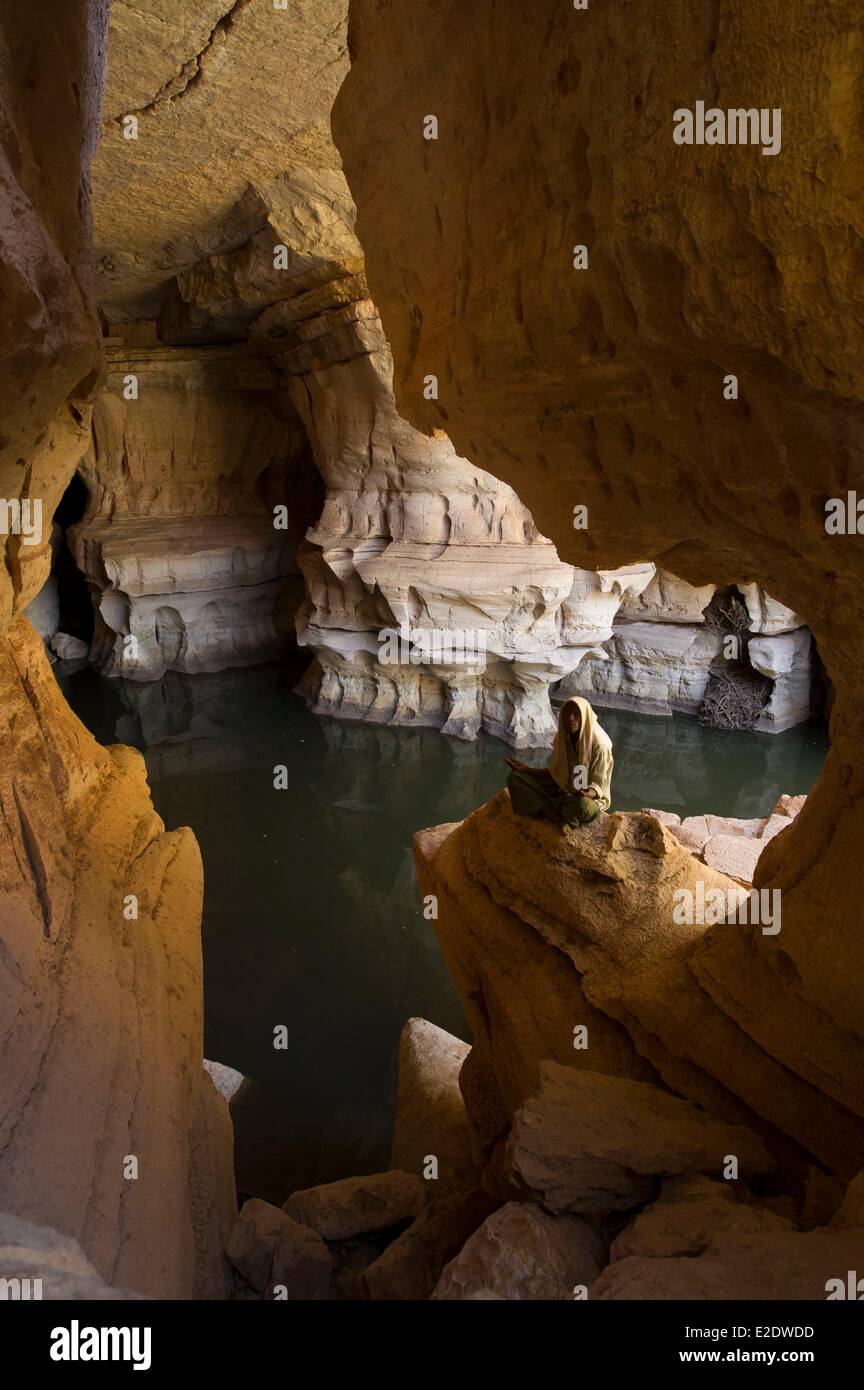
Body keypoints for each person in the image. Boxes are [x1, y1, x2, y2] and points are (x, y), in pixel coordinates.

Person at [506, 696, 613, 831]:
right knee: (516, 778)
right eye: (568, 713)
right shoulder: (562, 738)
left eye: (576, 714)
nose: (571, 718)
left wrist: (585, 793)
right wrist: (526, 769)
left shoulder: (599, 745)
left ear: (585, 716)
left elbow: (598, 787)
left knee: (581, 806)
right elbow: (555, 773)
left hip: (587, 798)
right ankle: (557, 814)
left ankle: (549, 809)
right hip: (564, 789)